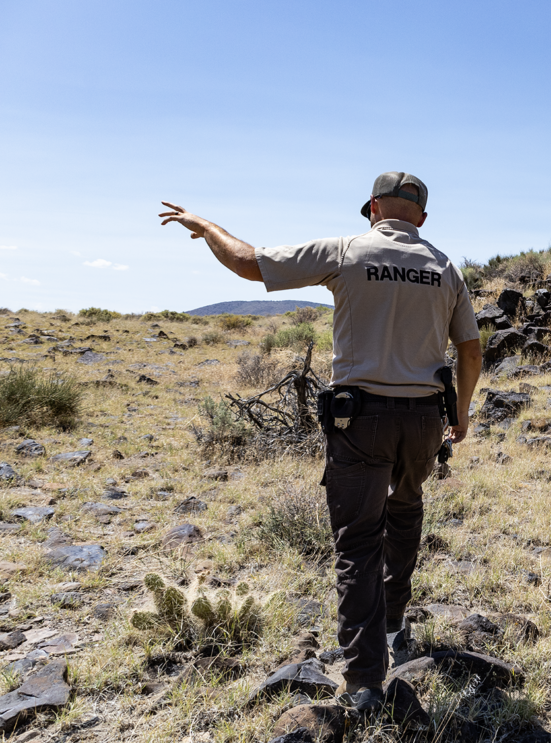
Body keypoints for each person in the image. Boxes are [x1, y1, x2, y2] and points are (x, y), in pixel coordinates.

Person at [159, 172, 482, 712]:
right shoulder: (445, 267)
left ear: (373, 207)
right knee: (405, 512)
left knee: (358, 544)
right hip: (425, 422)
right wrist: (462, 413)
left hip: (361, 421)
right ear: (422, 218)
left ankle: (365, 680)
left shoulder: (346, 251)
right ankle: (395, 624)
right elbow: (470, 350)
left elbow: (247, 262)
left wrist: (205, 225)